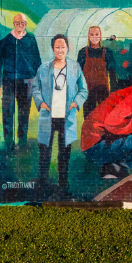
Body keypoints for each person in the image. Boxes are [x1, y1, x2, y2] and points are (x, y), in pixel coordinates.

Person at [31, 34, 88, 198]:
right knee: (44, 151)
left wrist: (75, 103)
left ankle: (63, 185)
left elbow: (83, 89)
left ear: (68, 48)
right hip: (48, 117)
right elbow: (35, 87)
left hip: (66, 117)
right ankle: (42, 184)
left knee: (64, 153)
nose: (60, 50)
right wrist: (41, 102)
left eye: (63, 47)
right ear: (52, 49)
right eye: (57, 47)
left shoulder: (75, 67)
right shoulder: (44, 68)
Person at [0, 13, 41, 151]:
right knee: (7, 112)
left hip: (27, 81)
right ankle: (8, 142)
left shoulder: (31, 39)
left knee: (24, 112)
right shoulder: (5, 41)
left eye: (22, 23)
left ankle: (22, 141)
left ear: (25, 24)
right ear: (13, 24)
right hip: (8, 81)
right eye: (17, 23)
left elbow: (37, 61)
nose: (20, 25)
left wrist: (38, 82)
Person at [77, 25, 117, 118]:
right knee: (88, 117)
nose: (94, 37)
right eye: (92, 35)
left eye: (96, 34)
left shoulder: (107, 52)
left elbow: (112, 73)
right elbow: (78, 73)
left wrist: (113, 91)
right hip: (88, 91)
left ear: (100, 35)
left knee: (103, 117)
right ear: (88, 36)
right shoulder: (82, 52)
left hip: (103, 91)